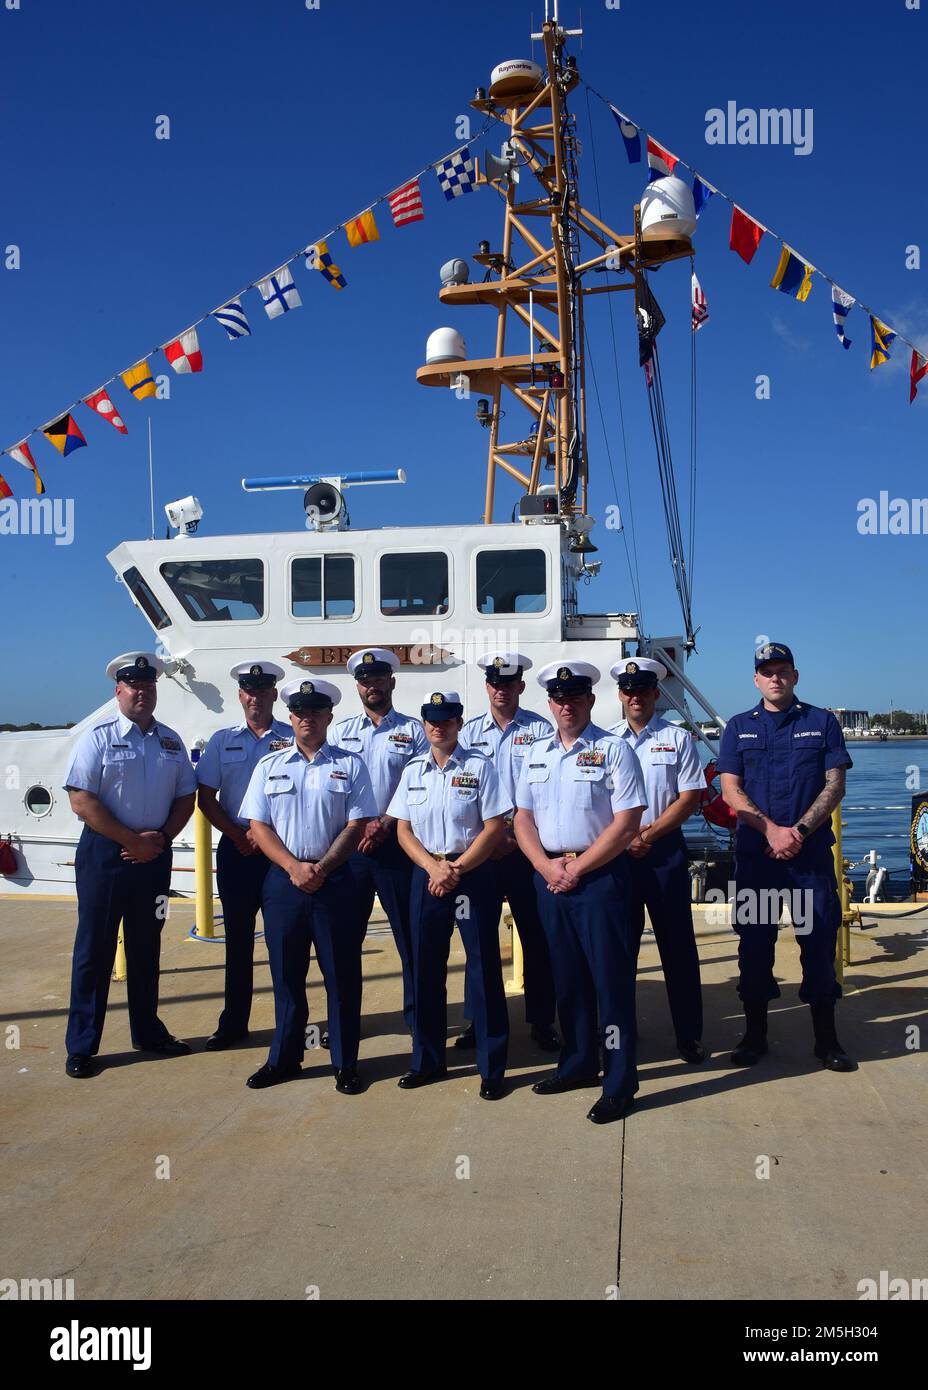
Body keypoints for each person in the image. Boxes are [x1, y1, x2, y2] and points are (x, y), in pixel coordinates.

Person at [514, 661, 647, 1124]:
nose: (566, 704)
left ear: (591, 700)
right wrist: (544, 865)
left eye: (575, 697)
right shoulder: (534, 753)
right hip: (549, 875)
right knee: (565, 981)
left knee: (610, 984)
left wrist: (578, 868)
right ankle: (576, 1064)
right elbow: (522, 818)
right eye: (558, 698)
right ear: (549, 703)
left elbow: (626, 821)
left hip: (600, 878)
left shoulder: (614, 751)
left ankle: (619, 1082)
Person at [718, 642, 856, 1071]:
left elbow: (834, 785)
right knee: (755, 948)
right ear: (756, 679)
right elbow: (730, 790)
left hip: (808, 859)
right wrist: (771, 831)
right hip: (757, 859)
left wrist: (795, 832)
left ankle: (827, 1040)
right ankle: (754, 1036)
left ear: (795, 676)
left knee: (817, 945)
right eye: (767, 672)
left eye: (782, 671)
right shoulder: (739, 727)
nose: (775, 678)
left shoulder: (822, 723)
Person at [62, 652, 196, 1078]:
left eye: (149, 686)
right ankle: (82, 1046)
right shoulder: (98, 737)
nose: (142, 692)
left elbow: (185, 797)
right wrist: (131, 841)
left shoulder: (171, 741)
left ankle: (148, 1032)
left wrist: (161, 840)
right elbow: (81, 800)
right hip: (106, 856)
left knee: (145, 947)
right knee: (94, 951)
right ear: (118, 690)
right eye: (134, 686)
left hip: (154, 858)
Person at [239, 678, 377, 1093]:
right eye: (300, 713)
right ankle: (284, 1059)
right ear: (290, 717)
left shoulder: (351, 765)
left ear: (329, 717)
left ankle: (345, 1063)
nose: (307, 719)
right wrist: (293, 868)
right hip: (284, 883)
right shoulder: (270, 766)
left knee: (341, 974)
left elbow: (357, 825)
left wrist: (323, 867)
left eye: (315, 713)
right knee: (285, 974)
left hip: (336, 882)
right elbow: (258, 826)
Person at [388, 690, 510, 1099]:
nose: (438, 726)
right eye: (431, 719)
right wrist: (431, 867)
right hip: (426, 876)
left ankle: (492, 1068)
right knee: (424, 969)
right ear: (424, 724)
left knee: (483, 968)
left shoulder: (480, 766)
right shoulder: (413, 770)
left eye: (446, 719)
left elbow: (494, 827)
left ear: (459, 722)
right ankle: (427, 1061)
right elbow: (403, 829)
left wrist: (455, 869)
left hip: (470, 875)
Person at [458, 651, 559, 1052]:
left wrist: (516, 835)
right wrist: (491, 836)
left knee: (537, 936)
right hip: (482, 850)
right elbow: (463, 788)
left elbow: (545, 787)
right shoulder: (467, 733)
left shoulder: (539, 730)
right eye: (494, 683)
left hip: (525, 849)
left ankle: (541, 1020)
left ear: (520, 686)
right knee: (477, 939)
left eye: (508, 683)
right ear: (487, 687)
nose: (501, 690)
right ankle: (478, 1019)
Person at [609, 657, 707, 1063]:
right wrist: (625, 839)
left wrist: (645, 834)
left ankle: (689, 1036)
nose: (635, 697)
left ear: (655, 694)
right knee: (618, 950)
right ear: (620, 695)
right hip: (618, 856)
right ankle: (619, 1036)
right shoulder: (607, 742)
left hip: (663, 851)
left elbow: (690, 798)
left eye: (643, 690)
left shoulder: (678, 739)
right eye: (628, 691)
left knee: (678, 948)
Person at [195, 661, 291, 1050]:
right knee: (238, 942)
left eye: (263, 691)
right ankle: (233, 1024)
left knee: (285, 942)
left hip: (279, 854)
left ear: (273, 695)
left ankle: (289, 1024)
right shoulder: (221, 741)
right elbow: (206, 798)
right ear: (241, 696)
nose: (256, 698)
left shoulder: (292, 737)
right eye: (249, 691)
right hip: (236, 851)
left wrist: (265, 839)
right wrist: (238, 835)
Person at [331, 648, 427, 1035]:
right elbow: (333, 787)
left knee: (411, 939)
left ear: (392, 682)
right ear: (358, 686)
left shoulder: (414, 732)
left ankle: (419, 1020)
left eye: (378, 679)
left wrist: (384, 823)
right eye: (365, 681)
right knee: (344, 942)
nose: (372, 686)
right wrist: (361, 827)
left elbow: (417, 785)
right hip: (351, 849)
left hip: (397, 847)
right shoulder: (340, 732)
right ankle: (346, 1024)